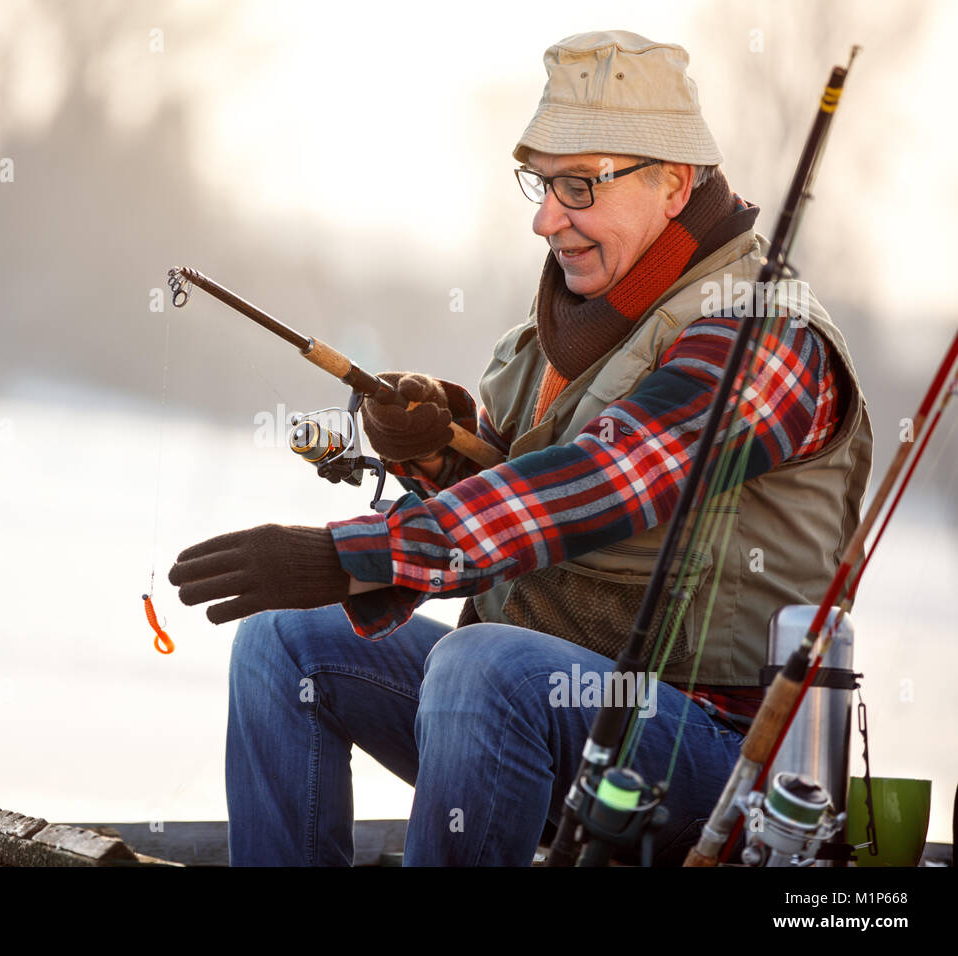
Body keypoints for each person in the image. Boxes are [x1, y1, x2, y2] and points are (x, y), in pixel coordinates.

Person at [168, 30, 872, 866]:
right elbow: (500, 506)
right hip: (546, 714)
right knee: (285, 640)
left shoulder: (769, 342)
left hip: (715, 755)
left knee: (481, 664)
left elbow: (606, 482)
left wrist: (349, 555)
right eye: (541, 185)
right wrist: (430, 451)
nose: (546, 219)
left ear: (674, 185)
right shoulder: (563, 332)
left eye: (579, 186)